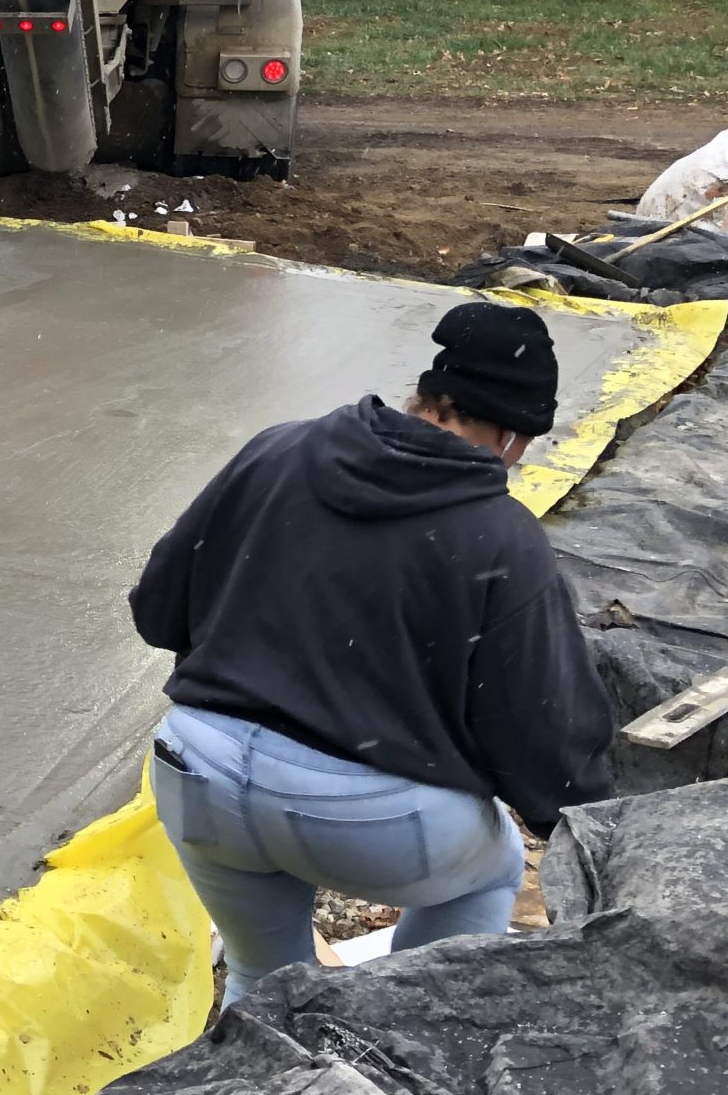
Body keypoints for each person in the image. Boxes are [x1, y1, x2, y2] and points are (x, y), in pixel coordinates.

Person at [128, 302, 614, 1002]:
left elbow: (158, 606)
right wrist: (586, 829)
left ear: (429, 397)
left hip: (195, 767)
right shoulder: (498, 534)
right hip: (361, 816)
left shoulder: (279, 449)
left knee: (265, 977)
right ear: (509, 432)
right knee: (494, 867)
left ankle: (258, 1089)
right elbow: (540, 722)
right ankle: (404, 1026)